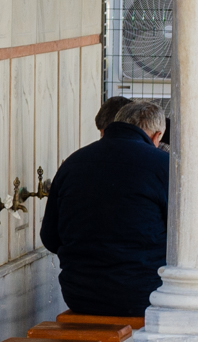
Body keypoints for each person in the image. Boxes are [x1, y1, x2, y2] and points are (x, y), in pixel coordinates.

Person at [39, 99, 169, 317]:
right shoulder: (163, 165)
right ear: (156, 137)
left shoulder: (73, 162)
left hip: (80, 294)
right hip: (144, 293)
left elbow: (50, 237)